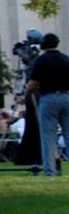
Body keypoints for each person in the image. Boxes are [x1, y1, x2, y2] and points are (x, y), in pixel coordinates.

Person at [25, 32, 69, 175]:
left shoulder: (40, 60)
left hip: (48, 98)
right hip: (66, 97)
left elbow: (32, 85)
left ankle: (50, 171)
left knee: (48, 136)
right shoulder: (66, 59)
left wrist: (26, 95)